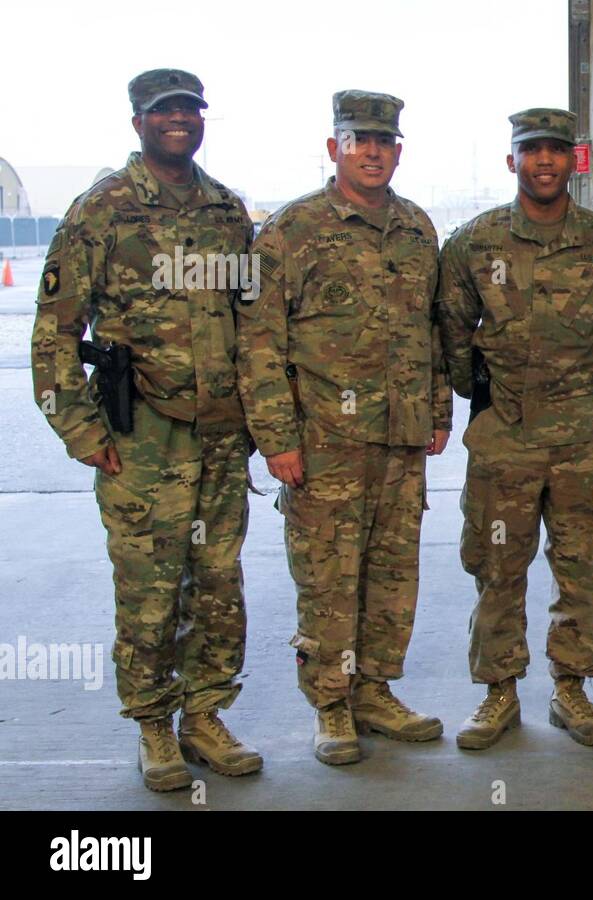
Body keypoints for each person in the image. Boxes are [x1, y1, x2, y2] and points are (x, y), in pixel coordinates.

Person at [31, 69, 262, 790]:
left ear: (201, 119)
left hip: (221, 435)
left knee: (218, 583)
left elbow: (251, 322)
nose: (178, 121)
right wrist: (81, 430)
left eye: (189, 110)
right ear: (138, 122)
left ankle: (206, 715)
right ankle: (154, 726)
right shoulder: (101, 211)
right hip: (144, 437)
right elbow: (54, 334)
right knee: (149, 587)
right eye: (163, 111)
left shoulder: (228, 212)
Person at [237, 90, 451, 765]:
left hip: (400, 438)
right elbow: (259, 341)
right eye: (359, 140)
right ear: (334, 147)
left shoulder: (418, 229)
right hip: (324, 442)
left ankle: (377, 691)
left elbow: (431, 331)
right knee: (328, 579)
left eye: (384, 142)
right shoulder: (289, 232)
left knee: (393, 575)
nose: (373, 152)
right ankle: (331, 704)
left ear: (398, 151)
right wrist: (277, 438)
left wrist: (438, 410)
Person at [438, 108, 593, 750]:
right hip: (504, 435)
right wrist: (494, 393)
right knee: (499, 565)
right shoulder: (473, 244)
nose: (545, 161)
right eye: (532, 151)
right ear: (513, 162)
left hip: (583, 441)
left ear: (573, 162)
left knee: (580, 564)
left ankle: (572, 689)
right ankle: (499, 693)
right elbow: (452, 332)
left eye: (557, 151)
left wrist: (580, 392)